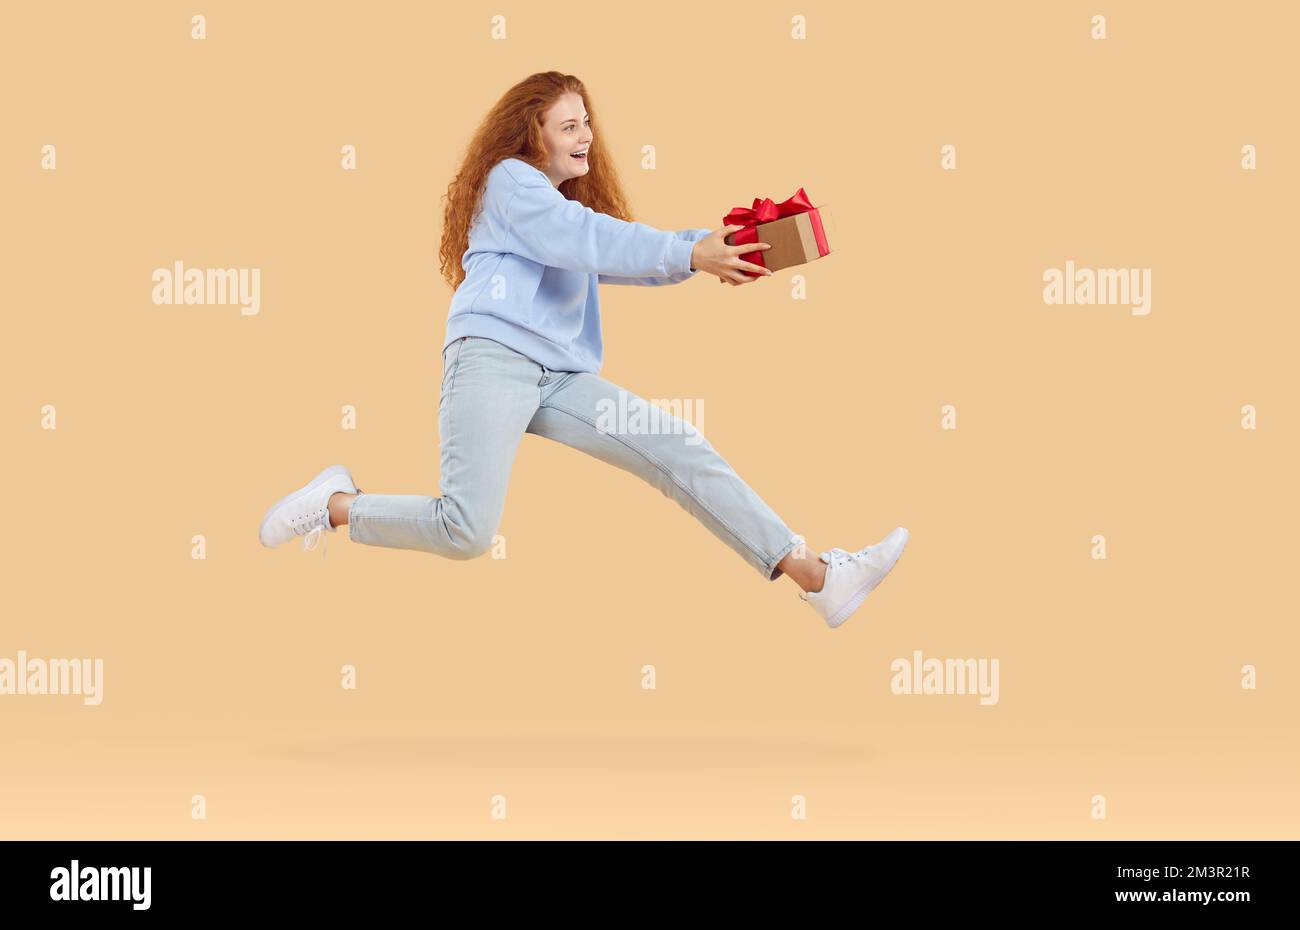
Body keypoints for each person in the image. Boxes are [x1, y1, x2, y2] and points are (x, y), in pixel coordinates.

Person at [258, 71, 907, 629]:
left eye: (587, 123)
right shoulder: (511, 182)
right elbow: (586, 238)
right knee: (467, 530)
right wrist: (687, 250)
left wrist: (706, 250)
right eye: (567, 125)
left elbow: (609, 252)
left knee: (674, 445)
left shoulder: (560, 211)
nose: (586, 135)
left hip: (560, 376)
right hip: (492, 358)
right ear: (529, 131)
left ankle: (818, 577)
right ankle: (336, 504)